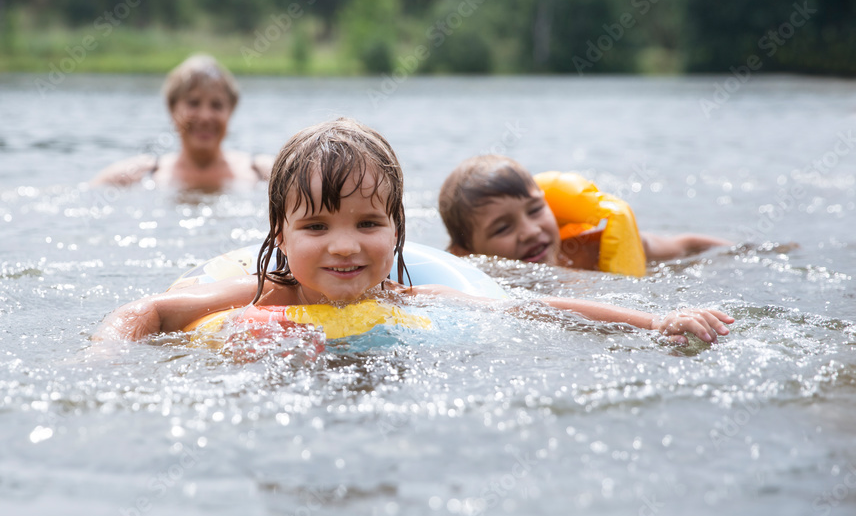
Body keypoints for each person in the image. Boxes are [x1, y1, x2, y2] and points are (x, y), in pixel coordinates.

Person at [95, 119, 733, 345]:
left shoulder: (404, 300)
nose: (345, 245)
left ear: (397, 233)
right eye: (317, 226)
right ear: (281, 237)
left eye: (367, 224)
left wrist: (657, 322)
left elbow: (536, 307)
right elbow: (148, 310)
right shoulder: (264, 296)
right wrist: (102, 364)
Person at [439, 155, 730, 269]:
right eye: (503, 228)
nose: (530, 231)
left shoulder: (588, 252)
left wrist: (746, 250)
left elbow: (687, 245)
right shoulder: (469, 286)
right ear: (464, 252)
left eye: (536, 210)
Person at [90, 54, 272, 191]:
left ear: (230, 111)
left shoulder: (265, 175)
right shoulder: (137, 175)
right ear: (172, 108)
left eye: (216, 105)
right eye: (193, 103)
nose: (205, 117)